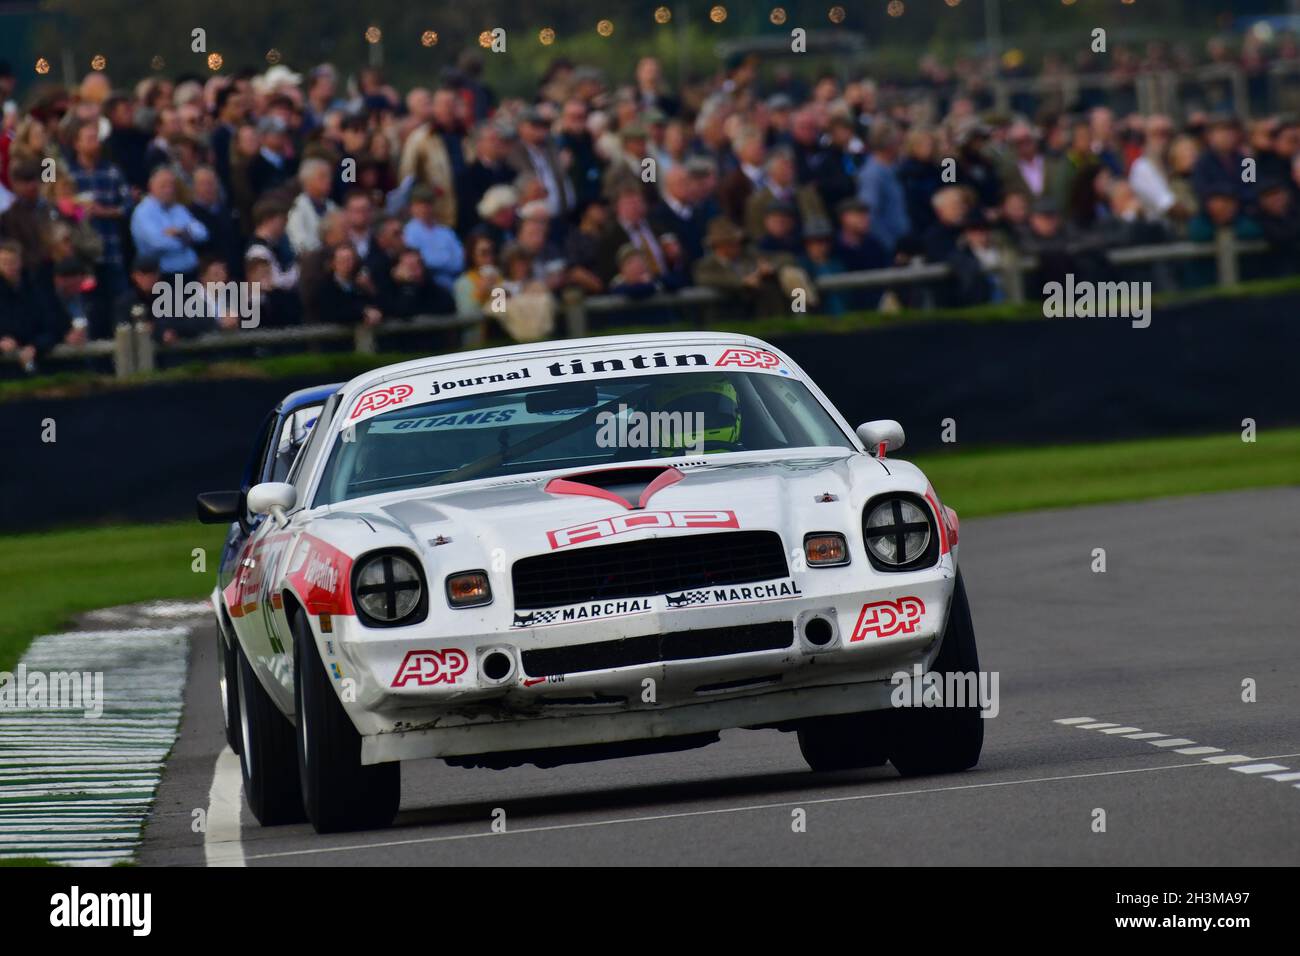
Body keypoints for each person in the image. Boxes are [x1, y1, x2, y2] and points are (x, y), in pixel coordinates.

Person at [129, 166, 209, 276]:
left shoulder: (179, 209)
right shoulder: (143, 213)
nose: (169, 190)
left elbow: (202, 233)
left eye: (171, 185)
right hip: (164, 277)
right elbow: (158, 243)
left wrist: (180, 233)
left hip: (191, 273)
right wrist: (187, 238)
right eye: (163, 186)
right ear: (151, 186)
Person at [401, 184, 465, 293]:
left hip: (452, 282)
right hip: (425, 285)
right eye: (420, 204)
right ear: (411, 207)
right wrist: (444, 260)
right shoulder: (408, 231)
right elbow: (420, 263)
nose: (424, 208)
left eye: (428, 204)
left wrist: (436, 262)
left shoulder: (446, 232)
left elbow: (459, 262)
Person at [287, 157, 338, 255]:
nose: (328, 180)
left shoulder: (333, 207)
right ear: (307, 181)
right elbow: (299, 243)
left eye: (329, 176)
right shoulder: (297, 208)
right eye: (322, 177)